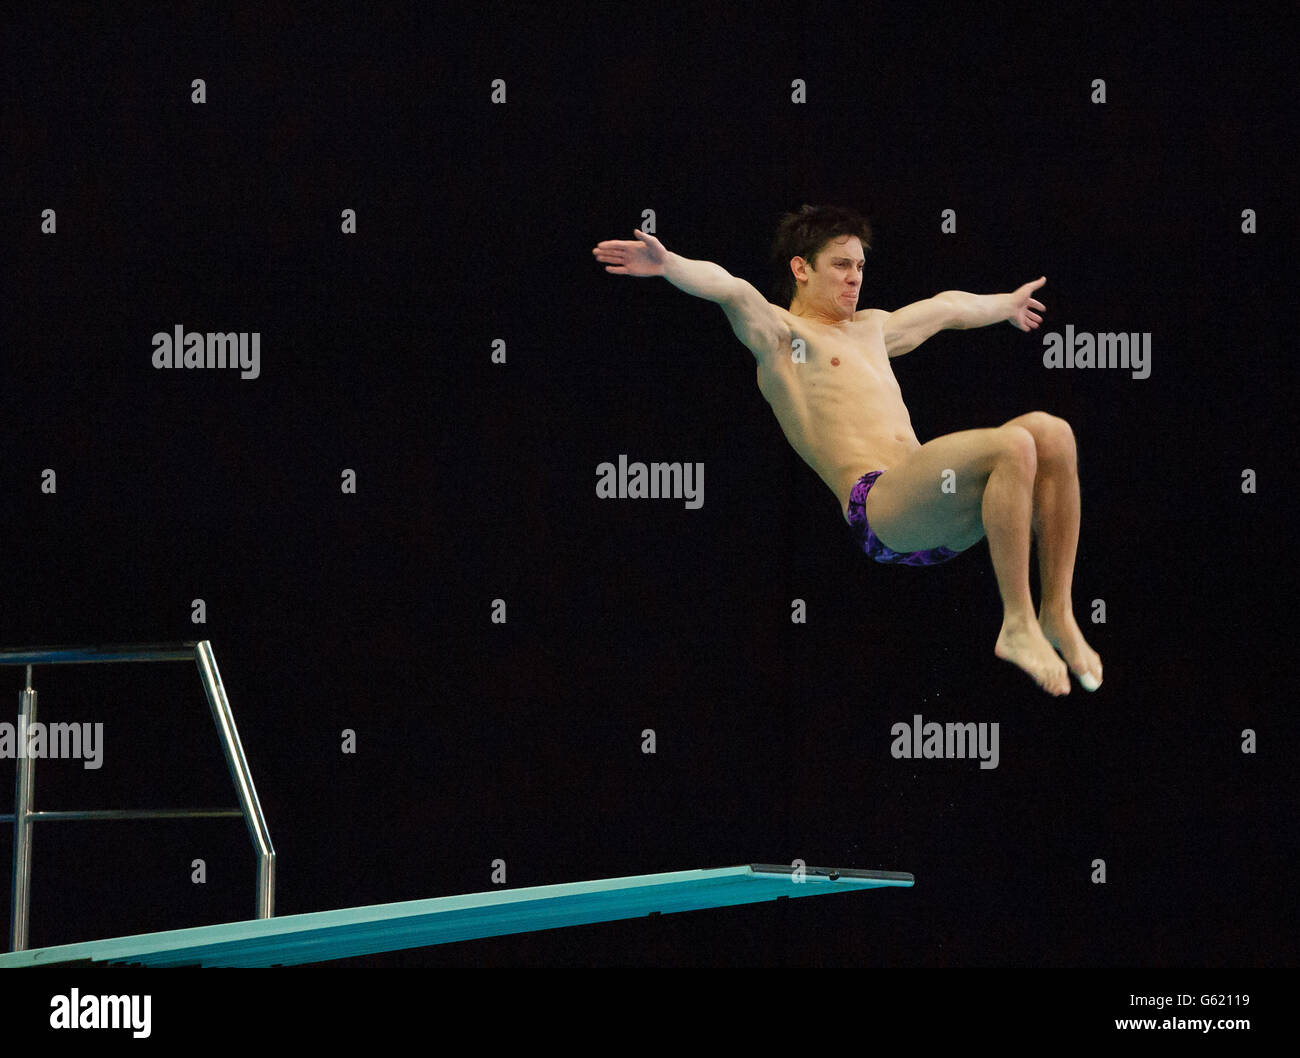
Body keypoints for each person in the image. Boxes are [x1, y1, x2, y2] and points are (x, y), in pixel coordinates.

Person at [592, 205, 1102, 696]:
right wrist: (668, 265)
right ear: (801, 269)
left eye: (859, 266)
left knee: (1052, 433)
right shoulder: (784, 338)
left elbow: (948, 309)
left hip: (937, 512)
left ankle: (1056, 611)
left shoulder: (873, 329)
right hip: (880, 510)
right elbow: (731, 289)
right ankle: (1016, 623)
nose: (854, 277)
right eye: (840, 265)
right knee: (1013, 443)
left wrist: (1006, 304)